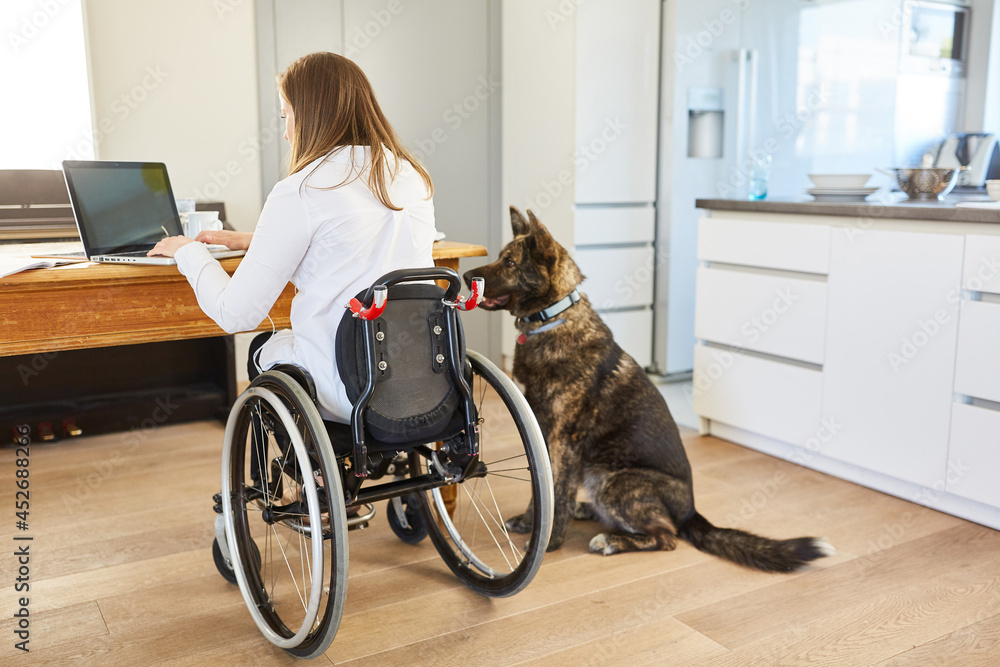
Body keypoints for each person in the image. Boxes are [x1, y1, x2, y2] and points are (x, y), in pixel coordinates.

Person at [149, 52, 436, 423]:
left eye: (286, 117)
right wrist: (260, 239)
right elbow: (358, 240)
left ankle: (299, 472)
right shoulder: (410, 174)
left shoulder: (302, 189)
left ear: (310, 116)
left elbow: (236, 313)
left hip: (345, 388)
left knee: (261, 349)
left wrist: (188, 252)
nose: (285, 132)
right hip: (422, 382)